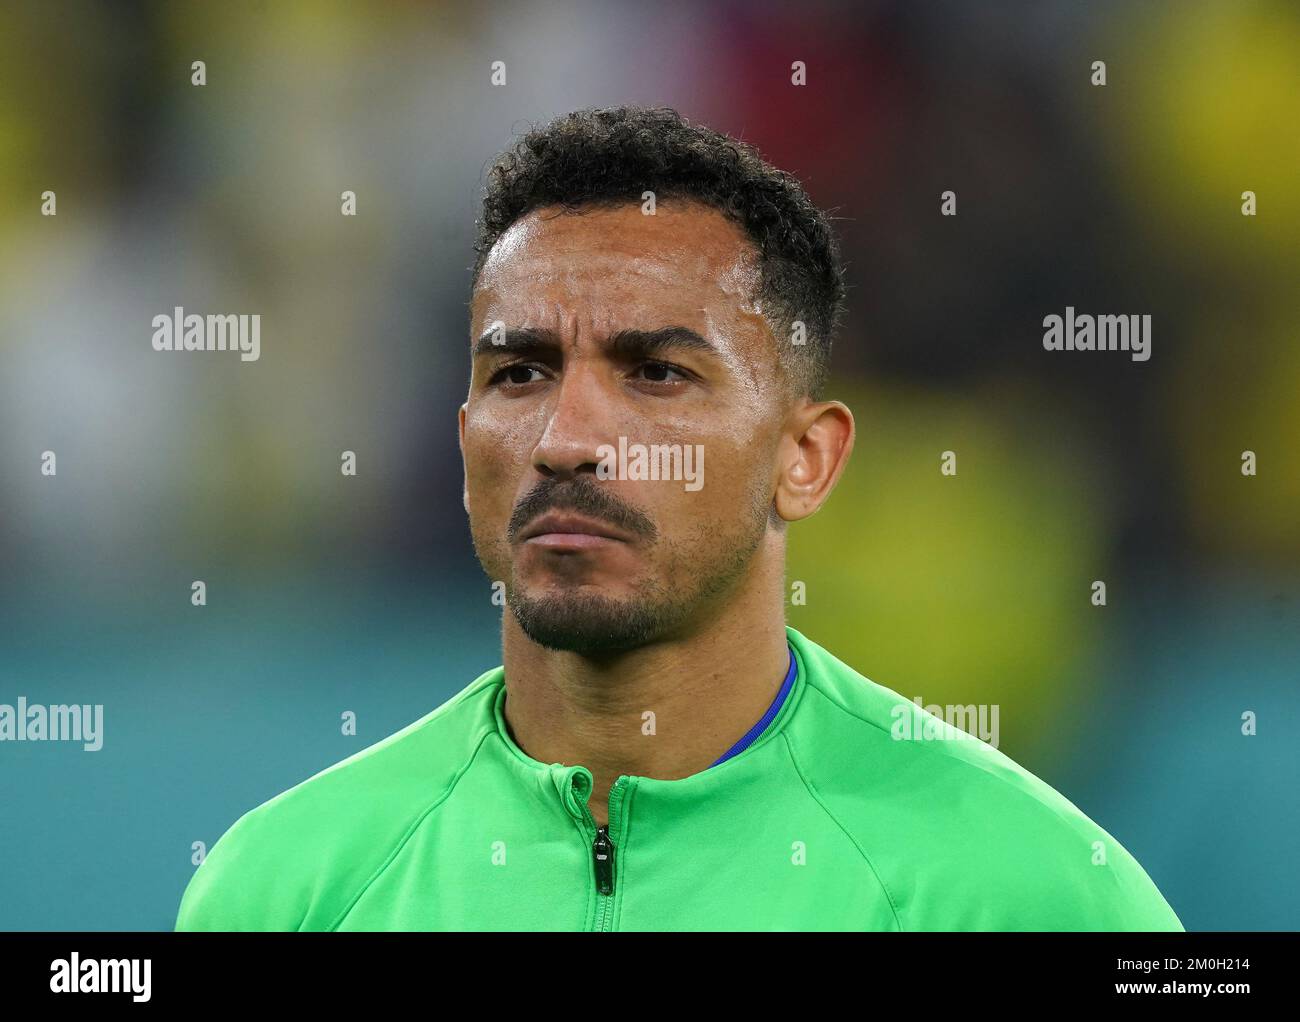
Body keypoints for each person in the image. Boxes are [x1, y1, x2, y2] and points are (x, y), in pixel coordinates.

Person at [175, 106, 1182, 931]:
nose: (567, 438)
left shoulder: (1028, 894)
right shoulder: (284, 891)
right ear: (464, 434)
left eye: (655, 373)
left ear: (805, 456)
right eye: (519, 372)